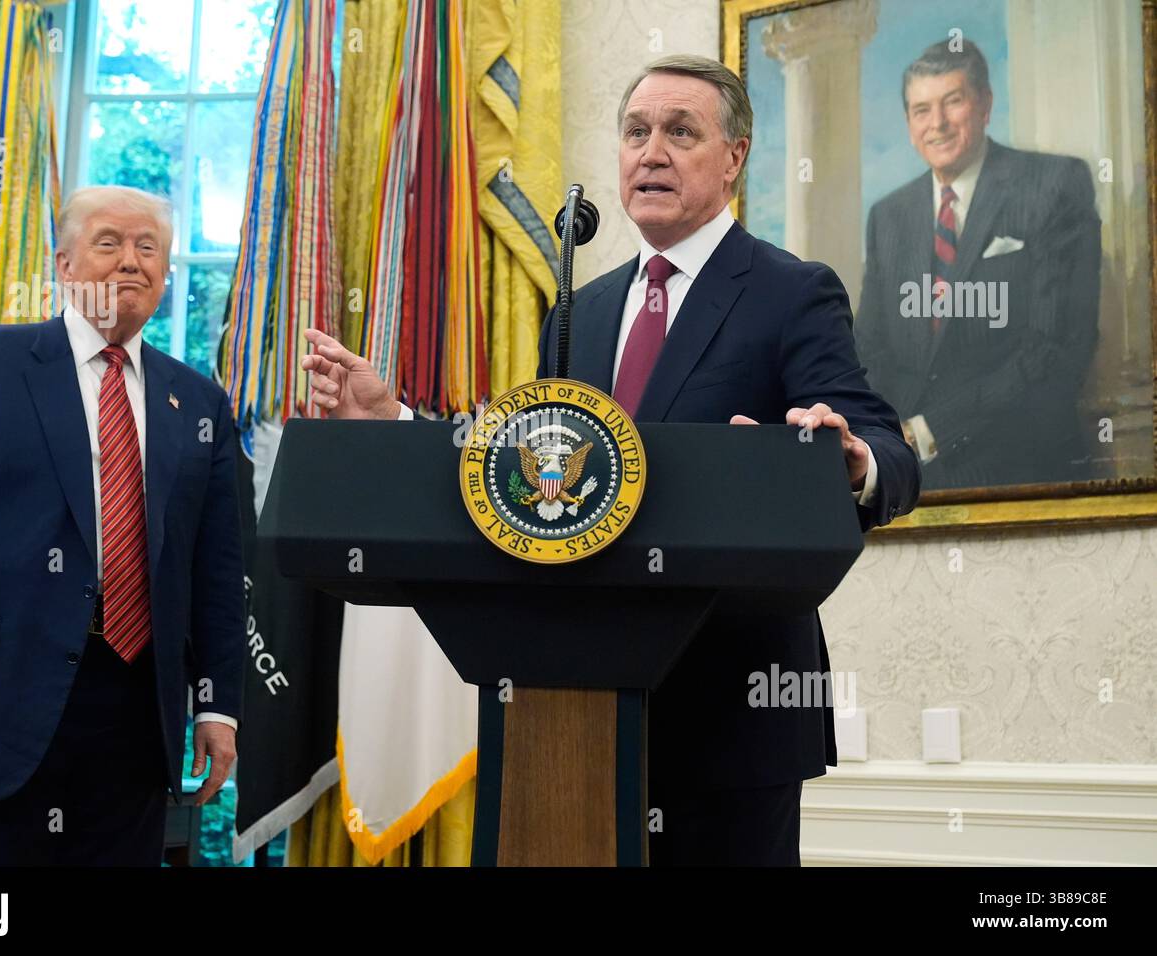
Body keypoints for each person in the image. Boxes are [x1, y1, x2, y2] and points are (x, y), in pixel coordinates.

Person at [298, 55, 920, 865]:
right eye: (636, 132)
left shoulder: (790, 291)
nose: (651, 151)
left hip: (730, 715)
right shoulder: (580, 311)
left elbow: (889, 455)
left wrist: (846, 461)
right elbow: (522, 472)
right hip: (567, 716)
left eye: (680, 132)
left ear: (734, 158)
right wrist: (395, 421)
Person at [0, 185, 245, 865]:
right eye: (109, 243)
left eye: (148, 249)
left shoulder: (197, 402)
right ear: (65, 264)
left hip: (136, 719)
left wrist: (218, 706)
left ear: (165, 274)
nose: (131, 262)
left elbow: (218, 570)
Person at [856, 39, 1101, 490]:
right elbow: (868, 349)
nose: (938, 124)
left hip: (1023, 472)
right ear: (909, 122)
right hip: (906, 480)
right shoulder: (888, 216)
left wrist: (928, 431)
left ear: (985, 104)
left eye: (953, 102)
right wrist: (888, 440)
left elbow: (1053, 349)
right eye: (921, 109)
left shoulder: (1054, 185)